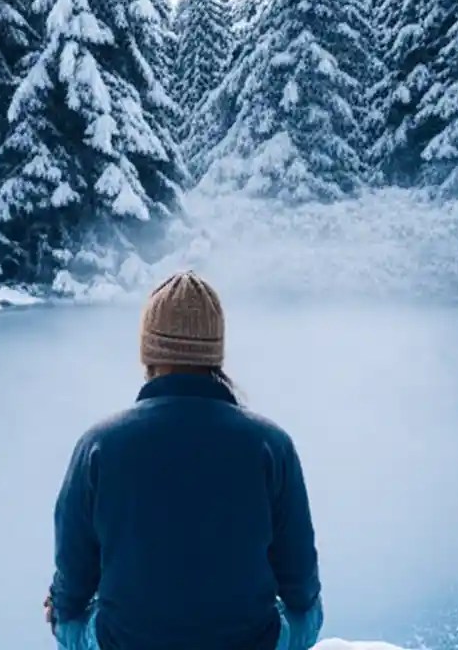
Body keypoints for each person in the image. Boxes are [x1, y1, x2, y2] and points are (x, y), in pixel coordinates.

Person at [44, 271, 324, 650]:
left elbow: (72, 584)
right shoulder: (271, 444)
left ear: (149, 352)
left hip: (125, 643)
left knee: (66, 615)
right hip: (249, 643)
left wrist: (60, 607)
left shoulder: (99, 445)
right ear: (215, 353)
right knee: (308, 614)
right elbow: (301, 584)